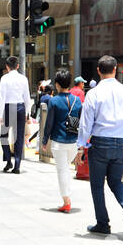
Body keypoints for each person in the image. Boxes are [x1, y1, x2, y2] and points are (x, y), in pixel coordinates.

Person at [75, 55, 123, 237]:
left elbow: (86, 123)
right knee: (115, 181)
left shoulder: (94, 93)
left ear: (98, 71)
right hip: (121, 141)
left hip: (100, 141)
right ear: (116, 70)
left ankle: (103, 223)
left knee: (97, 184)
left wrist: (81, 147)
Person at [41, 69, 83, 214]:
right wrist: (81, 146)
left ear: (57, 85)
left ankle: (66, 201)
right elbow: (81, 123)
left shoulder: (54, 101)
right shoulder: (77, 101)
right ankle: (67, 197)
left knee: (62, 171)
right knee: (65, 169)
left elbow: (49, 123)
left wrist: (45, 140)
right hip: (74, 142)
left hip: (59, 142)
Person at [0, 55, 32, 174]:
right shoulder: (24, 78)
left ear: (7, 67)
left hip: (8, 107)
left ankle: (8, 160)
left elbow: (1, 97)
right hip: (20, 107)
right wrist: (27, 113)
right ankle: (17, 165)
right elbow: (27, 97)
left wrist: (0, 115)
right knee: (19, 137)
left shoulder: (4, 79)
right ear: (17, 66)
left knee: (3, 136)